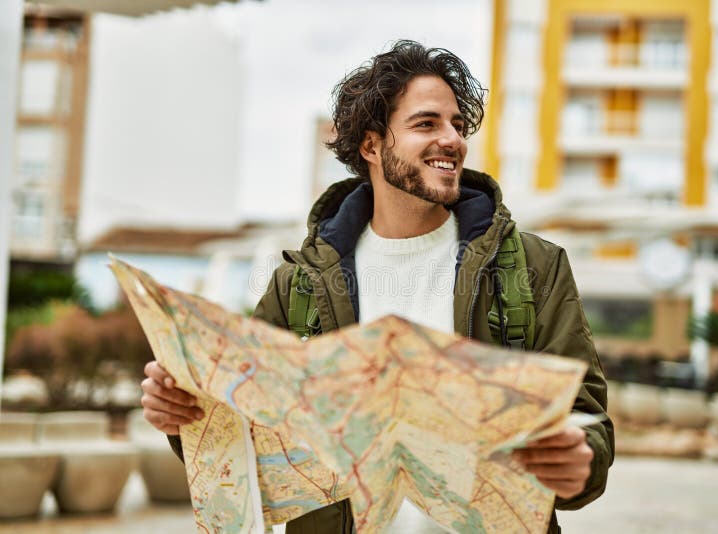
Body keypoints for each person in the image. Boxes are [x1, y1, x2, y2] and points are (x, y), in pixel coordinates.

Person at [141, 40, 613, 533]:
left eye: (457, 124)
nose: (452, 139)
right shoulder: (298, 284)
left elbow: (588, 420)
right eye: (426, 123)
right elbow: (240, 431)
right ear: (371, 146)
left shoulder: (534, 267)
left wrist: (579, 459)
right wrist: (183, 415)